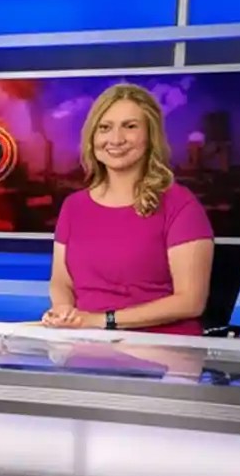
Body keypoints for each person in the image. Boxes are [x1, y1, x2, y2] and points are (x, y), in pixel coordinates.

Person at [44, 83, 213, 335]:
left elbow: (190, 301)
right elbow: (61, 282)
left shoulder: (180, 204)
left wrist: (102, 320)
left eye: (130, 126)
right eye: (105, 128)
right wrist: (64, 311)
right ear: (92, 137)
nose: (115, 139)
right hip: (86, 346)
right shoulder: (74, 206)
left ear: (150, 136)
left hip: (164, 353)